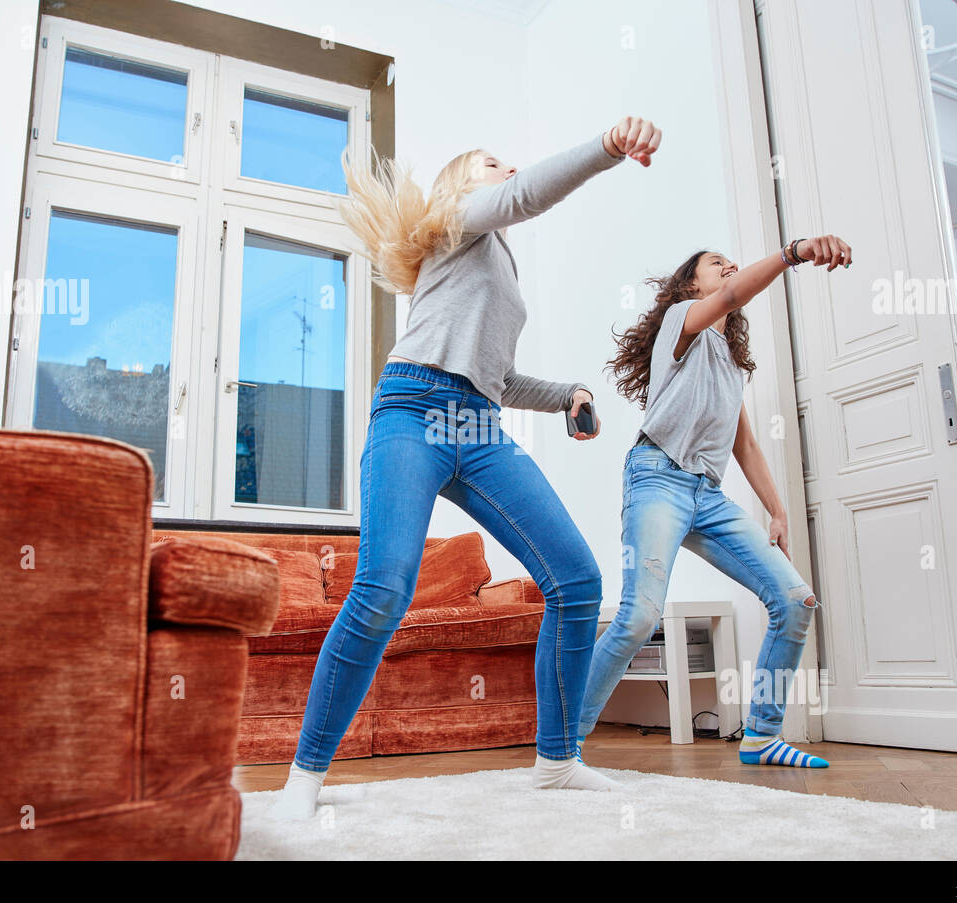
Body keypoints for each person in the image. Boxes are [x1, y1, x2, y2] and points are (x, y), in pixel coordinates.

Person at [269, 117, 664, 820]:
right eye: (493, 162)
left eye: (508, 161)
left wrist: (567, 393)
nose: (507, 169)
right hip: (412, 411)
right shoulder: (457, 220)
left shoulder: (496, 266)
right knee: (384, 590)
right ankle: (303, 779)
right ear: (461, 183)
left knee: (575, 582)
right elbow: (524, 199)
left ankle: (557, 762)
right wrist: (605, 148)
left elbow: (499, 378)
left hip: (478, 425)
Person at [577, 237, 852, 770]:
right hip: (656, 477)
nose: (728, 266)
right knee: (639, 617)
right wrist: (792, 253)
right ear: (689, 285)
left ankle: (762, 736)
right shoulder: (682, 321)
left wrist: (776, 511)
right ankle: (565, 740)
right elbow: (726, 300)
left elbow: (743, 443)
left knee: (795, 601)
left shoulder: (728, 363)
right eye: (715, 264)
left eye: (731, 262)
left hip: (707, 495)